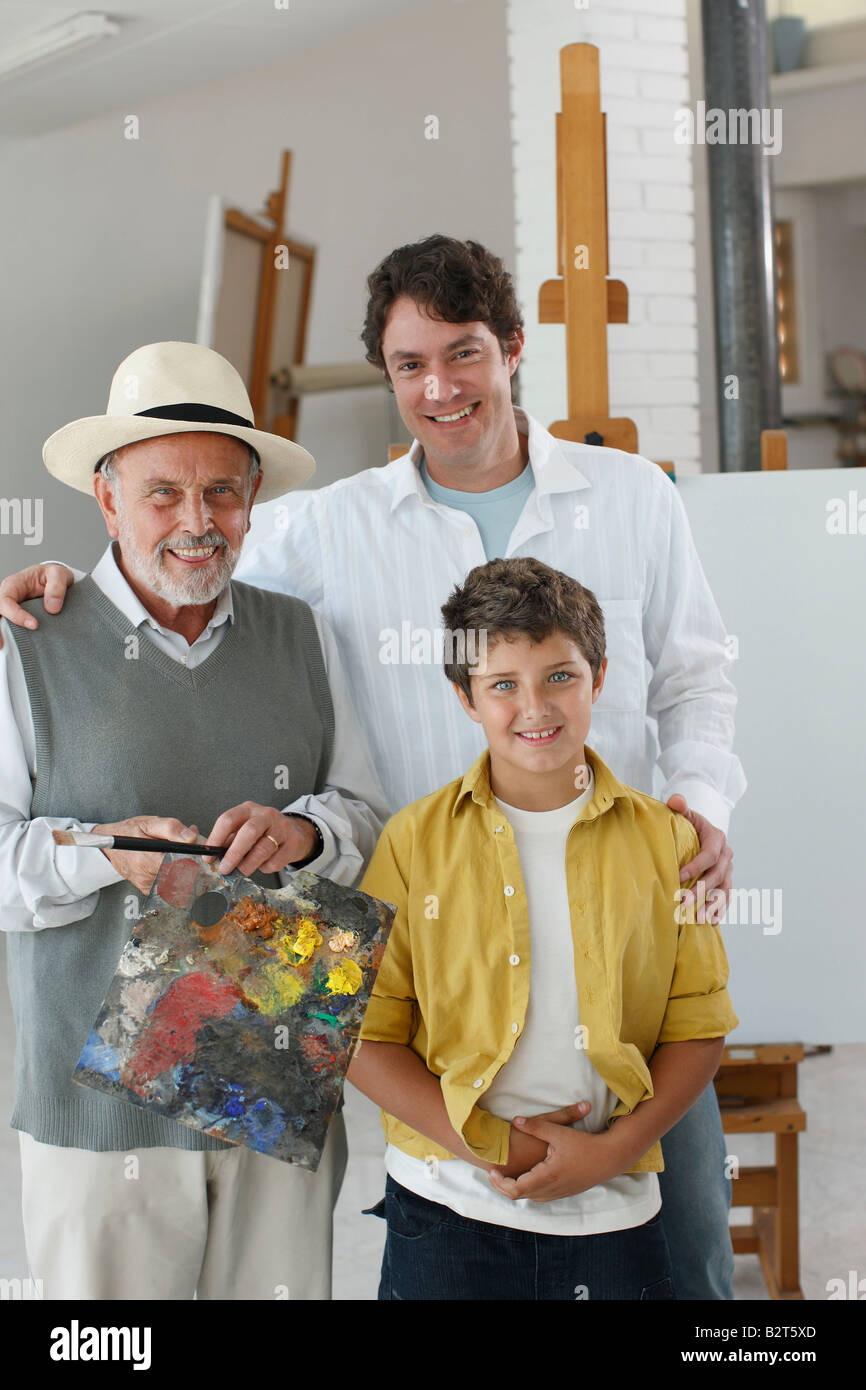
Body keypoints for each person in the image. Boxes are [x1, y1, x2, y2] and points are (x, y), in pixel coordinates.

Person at [0, 235, 744, 1298]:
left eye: (464, 353)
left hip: (616, 943)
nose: (438, 387)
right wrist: (49, 595)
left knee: (681, 1266)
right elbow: (171, 557)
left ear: (512, 350)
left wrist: (701, 803)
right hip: (412, 972)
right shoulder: (327, 530)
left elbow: (698, 679)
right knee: (436, 1236)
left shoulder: (630, 499)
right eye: (408, 363)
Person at [0, 340, 389, 1300]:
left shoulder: (300, 634)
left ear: (253, 499)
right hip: (97, 1121)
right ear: (107, 499)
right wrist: (107, 854)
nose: (196, 521)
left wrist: (305, 833)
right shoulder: (29, 647)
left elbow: (366, 810)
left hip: (274, 1069)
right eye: (163, 493)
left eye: (222, 492)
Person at [347, 556, 738, 1300]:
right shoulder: (411, 841)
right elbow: (364, 1032)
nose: (535, 707)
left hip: (614, 1214)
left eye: (560, 676)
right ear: (465, 697)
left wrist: (614, 1152)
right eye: (503, 685)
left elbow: (699, 1026)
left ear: (599, 677)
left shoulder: (669, 843)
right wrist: (488, 1139)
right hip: (445, 1204)